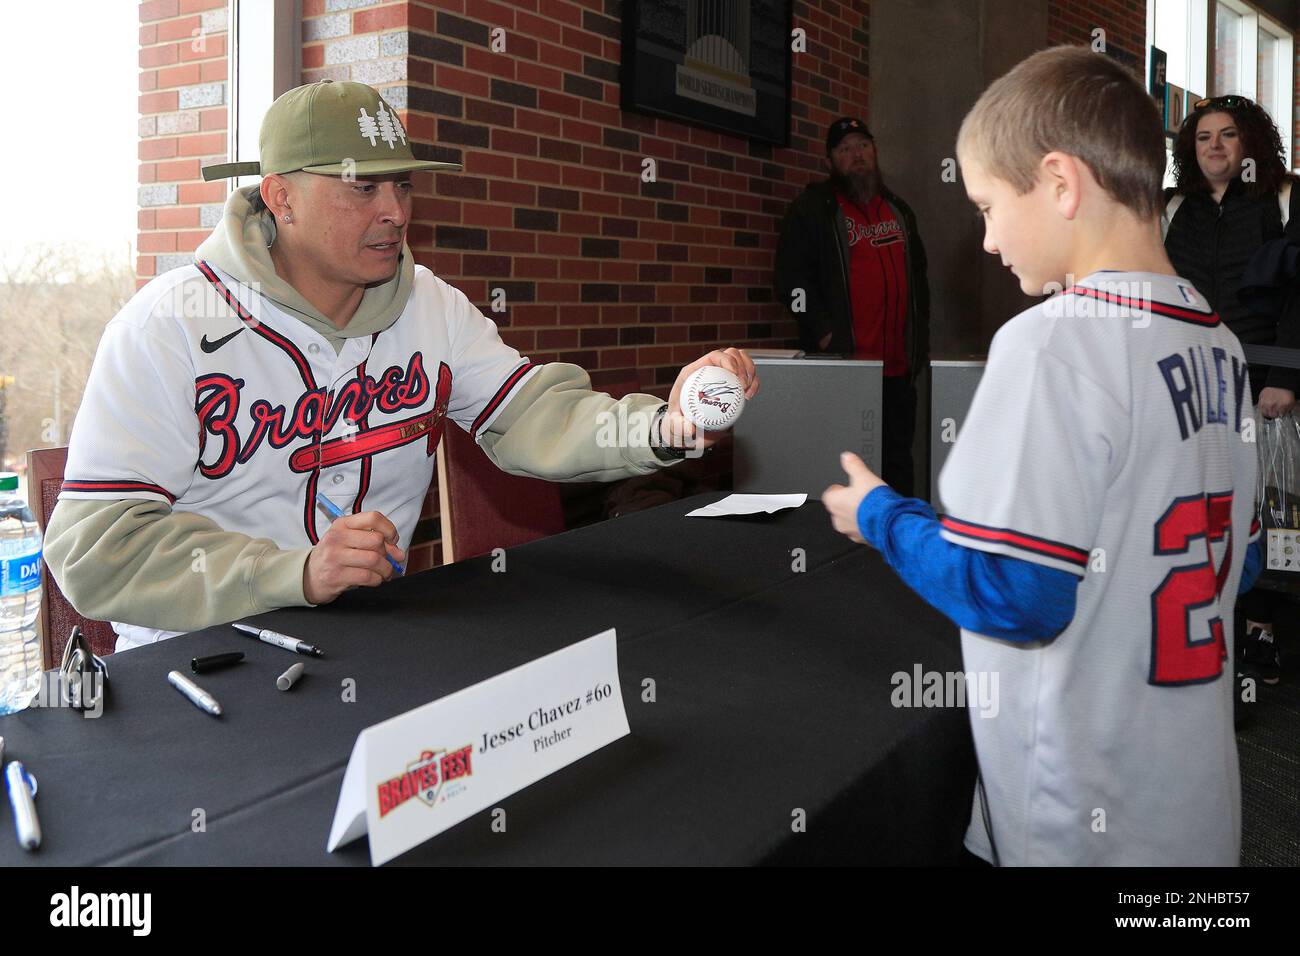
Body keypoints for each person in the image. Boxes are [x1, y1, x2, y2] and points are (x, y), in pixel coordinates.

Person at [44, 81, 758, 652]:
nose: (395, 211)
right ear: (281, 196)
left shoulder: (430, 305)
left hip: (372, 640)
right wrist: (289, 571)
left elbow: (533, 414)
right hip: (201, 662)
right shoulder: (169, 322)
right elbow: (98, 548)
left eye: (404, 186)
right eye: (363, 188)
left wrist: (663, 424)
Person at [823, 46, 1263, 866]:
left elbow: (1013, 593)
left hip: (1079, 803)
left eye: (988, 206)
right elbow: (1245, 558)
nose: (986, 241)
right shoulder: (1224, 345)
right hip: (1193, 795)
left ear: (1061, 184)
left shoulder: (1050, 344)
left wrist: (881, 516)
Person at [1163, 95, 1299, 685]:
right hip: (1194, 388)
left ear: (1249, 145)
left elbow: (1299, 293)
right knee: (1204, 511)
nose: (1215, 146)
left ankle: (1262, 636)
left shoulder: (1282, 199)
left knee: (1272, 515)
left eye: (1227, 135)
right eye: (1203, 138)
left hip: (1265, 385)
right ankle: (1211, 626)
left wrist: (1285, 378)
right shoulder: (1174, 210)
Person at [774, 117, 930, 496]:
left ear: (874, 152)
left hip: (896, 370)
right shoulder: (814, 209)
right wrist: (825, 333)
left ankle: (898, 548)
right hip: (846, 369)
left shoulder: (899, 211)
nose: (856, 155)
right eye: (845, 149)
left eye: (862, 145)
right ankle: (846, 551)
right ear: (831, 161)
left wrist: (919, 342)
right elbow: (790, 280)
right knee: (847, 467)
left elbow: (920, 281)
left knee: (897, 465)